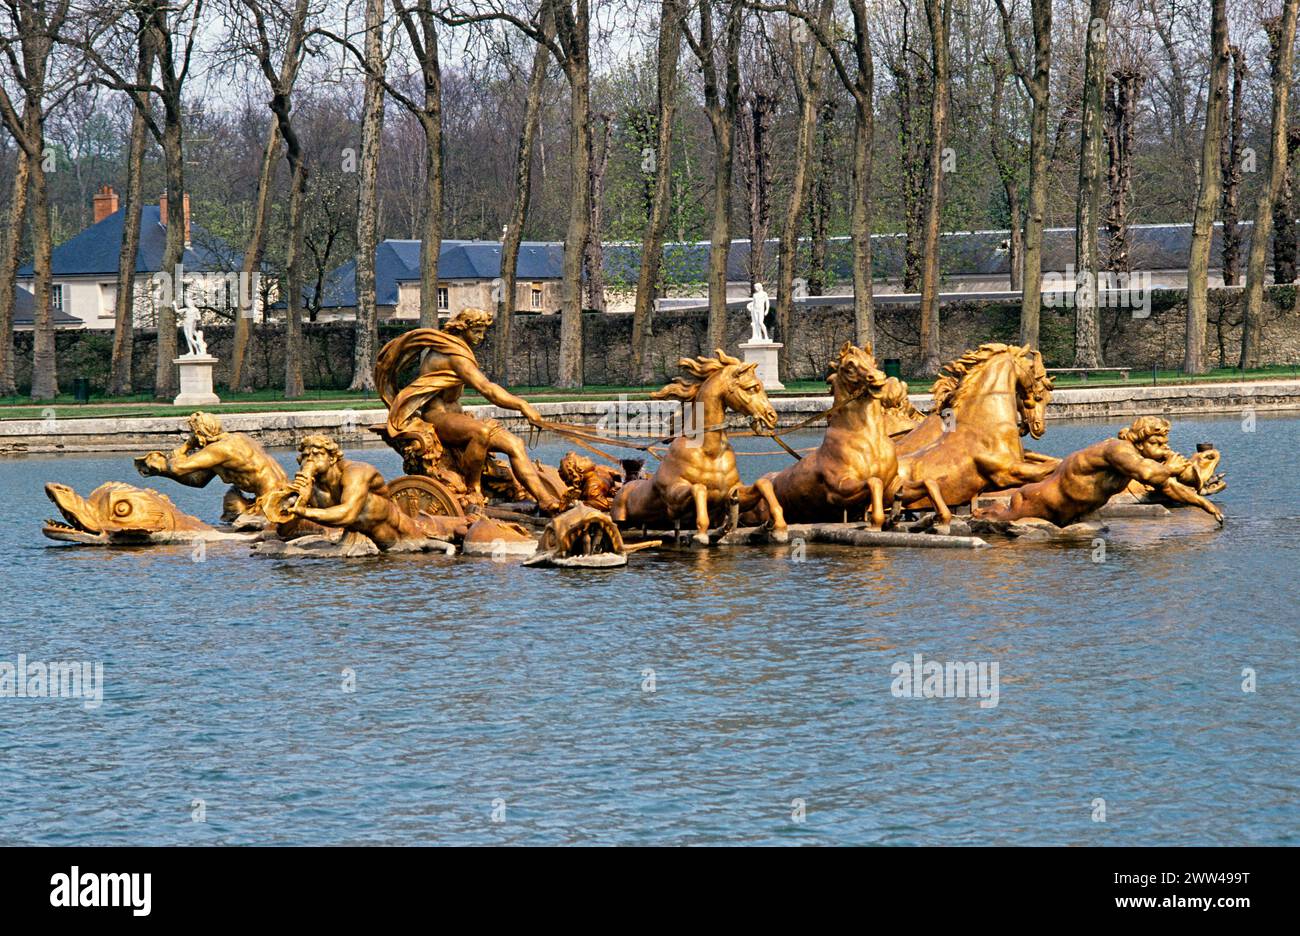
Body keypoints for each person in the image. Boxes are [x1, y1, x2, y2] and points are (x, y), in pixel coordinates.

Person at [380, 307, 563, 512]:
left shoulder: (458, 350)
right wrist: (523, 405)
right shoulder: (453, 355)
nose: (481, 337)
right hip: (438, 417)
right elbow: (488, 389)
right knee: (481, 432)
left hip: (457, 416)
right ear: (462, 328)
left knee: (515, 443)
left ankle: (545, 499)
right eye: (476, 331)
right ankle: (473, 488)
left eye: (483, 331)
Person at [975, 416, 1224, 526]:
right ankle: (983, 515)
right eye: (1157, 444)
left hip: (1067, 512)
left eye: (1164, 443)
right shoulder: (1119, 451)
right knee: (1000, 520)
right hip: (1041, 503)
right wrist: (1170, 467)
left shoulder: (1134, 458)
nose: (1164, 448)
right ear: (1140, 441)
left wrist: (1203, 505)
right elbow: (1152, 476)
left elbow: (1168, 486)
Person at [284, 435, 464, 549]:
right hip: (368, 543)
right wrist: (298, 501)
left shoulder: (356, 473)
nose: (310, 460)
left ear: (332, 458)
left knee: (465, 528)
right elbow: (284, 531)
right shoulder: (312, 488)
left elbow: (347, 514)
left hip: (408, 535)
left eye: (316, 454)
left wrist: (303, 511)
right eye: (306, 456)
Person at [136, 411, 287, 520]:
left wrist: (158, 462)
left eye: (192, 433)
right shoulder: (239, 437)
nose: (191, 437)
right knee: (232, 497)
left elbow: (177, 468)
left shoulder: (218, 450)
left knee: (232, 503)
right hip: (284, 491)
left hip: (270, 501)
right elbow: (199, 481)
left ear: (198, 434)